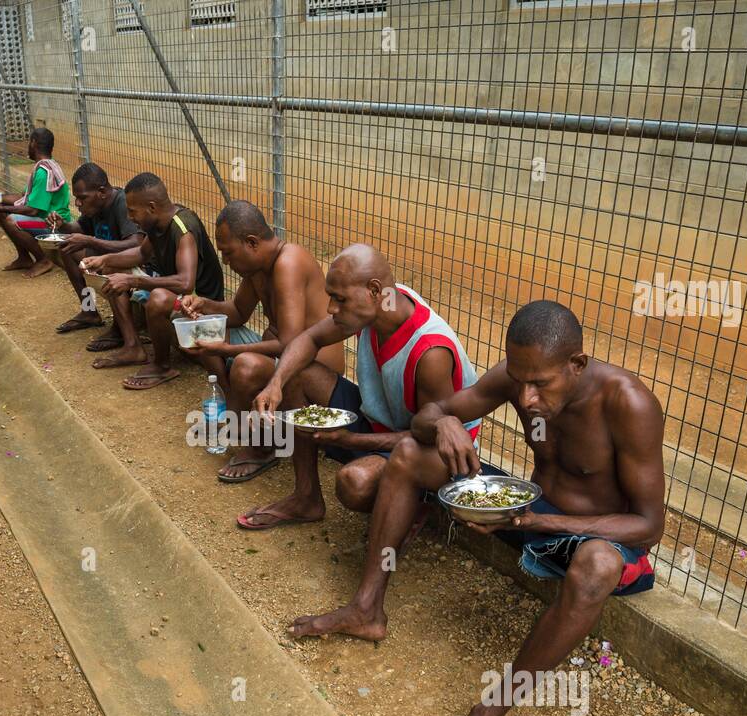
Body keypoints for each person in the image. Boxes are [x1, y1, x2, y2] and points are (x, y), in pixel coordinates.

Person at [351, 300, 664, 716]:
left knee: (598, 563)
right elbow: (426, 418)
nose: (527, 396)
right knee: (412, 454)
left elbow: (648, 526)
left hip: (593, 536)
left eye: (540, 384)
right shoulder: (519, 377)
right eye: (519, 381)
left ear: (577, 365)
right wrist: (444, 424)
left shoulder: (628, 403)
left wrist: (536, 519)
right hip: (529, 510)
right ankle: (366, 608)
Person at [240, 243, 480, 529]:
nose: (331, 308)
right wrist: (275, 383)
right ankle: (306, 498)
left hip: (427, 450)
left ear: (375, 291)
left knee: (354, 484)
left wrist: (349, 441)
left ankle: (419, 506)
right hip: (381, 422)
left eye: (339, 299)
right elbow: (309, 339)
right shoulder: (376, 306)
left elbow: (427, 437)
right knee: (296, 374)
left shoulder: (430, 354)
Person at [176, 200, 343, 482]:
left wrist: (228, 349)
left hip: (313, 375)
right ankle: (237, 413)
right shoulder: (257, 268)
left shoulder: (288, 263)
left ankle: (262, 448)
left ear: (252, 242)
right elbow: (239, 313)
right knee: (206, 330)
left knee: (246, 365)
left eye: (228, 253)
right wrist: (203, 304)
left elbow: (290, 342)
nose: (226, 262)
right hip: (283, 358)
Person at [78, 172, 225, 387]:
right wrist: (104, 259)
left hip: (200, 313)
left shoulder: (183, 229)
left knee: (157, 298)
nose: (129, 217)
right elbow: (141, 254)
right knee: (111, 269)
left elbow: (186, 283)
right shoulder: (157, 223)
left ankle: (162, 366)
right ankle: (132, 346)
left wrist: (133, 282)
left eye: (132, 211)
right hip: (182, 300)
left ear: (152, 207)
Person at [51, 164, 144, 336]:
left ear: (101, 192)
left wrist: (91, 241)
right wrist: (63, 225)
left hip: (135, 267)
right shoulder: (95, 205)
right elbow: (78, 228)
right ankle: (89, 311)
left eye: (82, 198)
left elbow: (136, 245)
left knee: (110, 265)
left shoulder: (121, 204)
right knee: (67, 248)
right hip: (110, 259)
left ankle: (122, 330)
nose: (78, 203)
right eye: (76, 198)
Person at [0, 128, 72, 277]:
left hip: (54, 225)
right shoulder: (45, 166)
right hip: (44, 219)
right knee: (2, 213)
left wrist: (0, 207)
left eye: (29, 143)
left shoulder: (44, 172)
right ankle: (24, 258)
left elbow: (32, 210)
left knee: (11, 219)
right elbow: (22, 197)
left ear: (33, 143)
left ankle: (43, 260)